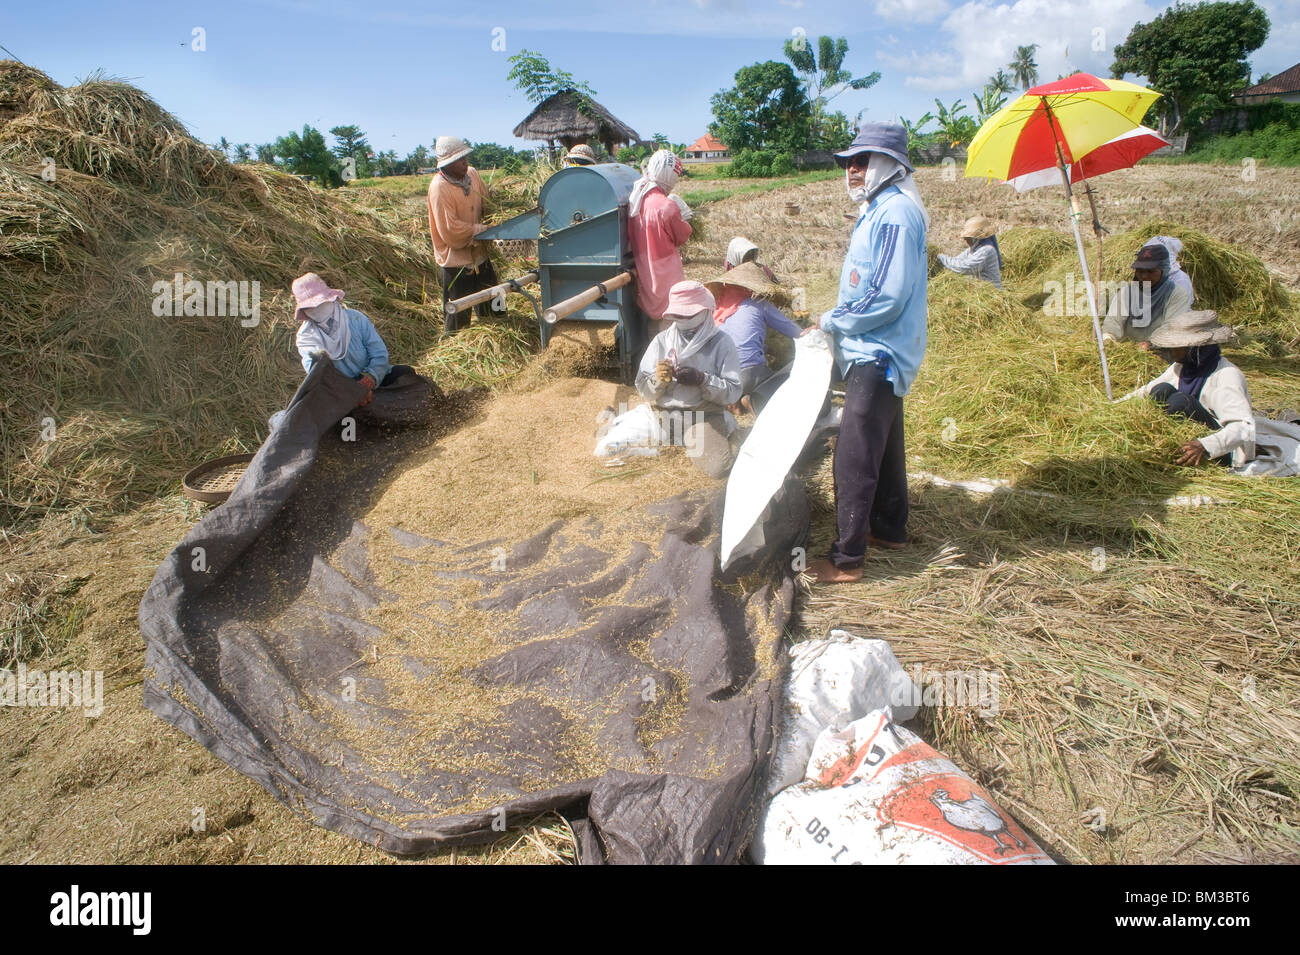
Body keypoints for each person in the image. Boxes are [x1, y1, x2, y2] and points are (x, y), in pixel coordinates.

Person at [806, 122, 930, 585]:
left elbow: (885, 296)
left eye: (863, 161)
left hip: (878, 349)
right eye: (849, 162)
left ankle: (847, 560)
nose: (853, 170)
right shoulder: (879, 209)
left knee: (854, 452)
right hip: (876, 346)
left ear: (890, 165)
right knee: (885, 439)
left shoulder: (895, 213)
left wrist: (830, 321)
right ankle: (889, 528)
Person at [635, 280, 742, 478]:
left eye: (689, 315)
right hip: (662, 415)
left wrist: (702, 380)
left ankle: (725, 431)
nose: (683, 320)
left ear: (706, 310)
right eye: (678, 316)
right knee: (620, 451)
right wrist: (659, 380)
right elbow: (643, 389)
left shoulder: (721, 343)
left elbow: (733, 391)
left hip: (702, 418)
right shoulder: (662, 340)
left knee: (718, 468)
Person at [1123, 310, 1254, 467]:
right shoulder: (1182, 367)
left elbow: (1243, 427)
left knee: (1180, 402)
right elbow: (1146, 391)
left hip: (1218, 451)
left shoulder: (1227, 375)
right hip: (1189, 442)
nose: (1171, 350)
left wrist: (1204, 445)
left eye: (1178, 345)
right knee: (1161, 390)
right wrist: (1115, 408)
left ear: (1195, 348)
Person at [292, 272, 411, 408]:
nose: (316, 309)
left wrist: (370, 379)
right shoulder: (306, 338)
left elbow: (379, 354)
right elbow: (319, 376)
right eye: (309, 308)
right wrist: (351, 393)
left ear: (329, 299)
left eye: (319, 303)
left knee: (404, 374)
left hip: (371, 378)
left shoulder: (355, 319)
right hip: (339, 392)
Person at [706, 261, 809, 414]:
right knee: (795, 370)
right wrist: (815, 333)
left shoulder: (718, 309)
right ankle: (756, 400)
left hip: (719, 379)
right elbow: (797, 333)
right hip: (748, 375)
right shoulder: (759, 304)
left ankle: (733, 401)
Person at [428, 135, 498, 334]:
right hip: (456, 259)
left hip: (480, 252)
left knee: (494, 298)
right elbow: (450, 229)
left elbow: (485, 201)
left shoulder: (473, 174)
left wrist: (493, 221)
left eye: (465, 157)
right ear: (447, 164)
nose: (465, 162)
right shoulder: (439, 187)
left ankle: (498, 328)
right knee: (458, 309)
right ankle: (456, 340)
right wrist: (480, 230)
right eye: (459, 160)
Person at [628, 150, 692, 336]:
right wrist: (684, 216)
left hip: (645, 277)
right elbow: (682, 236)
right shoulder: (666, 206)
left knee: (654, 330)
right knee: (670, 332)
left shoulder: (635, 200)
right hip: (667, 281)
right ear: (671, 177)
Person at [1102, 236, 1193, 346]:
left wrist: (1150, 344)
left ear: (1163, 270)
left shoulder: (1177, 294)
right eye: (1140, 271)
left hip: (1164, 352)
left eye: (1150, 271)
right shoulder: (1127, 293)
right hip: (1129, 350)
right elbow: (1113, 322)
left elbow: (1172, 327)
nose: (1144, 276)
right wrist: (1108, 338)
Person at [938, 215, 1001, 288]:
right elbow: (958, 260)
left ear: (976, 237)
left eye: (968, 237)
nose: (965, 239)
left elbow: (965, 268)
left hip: (991, 293)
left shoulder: (987, 250)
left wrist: (942, 258)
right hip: (979, 291)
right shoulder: (973, 249)